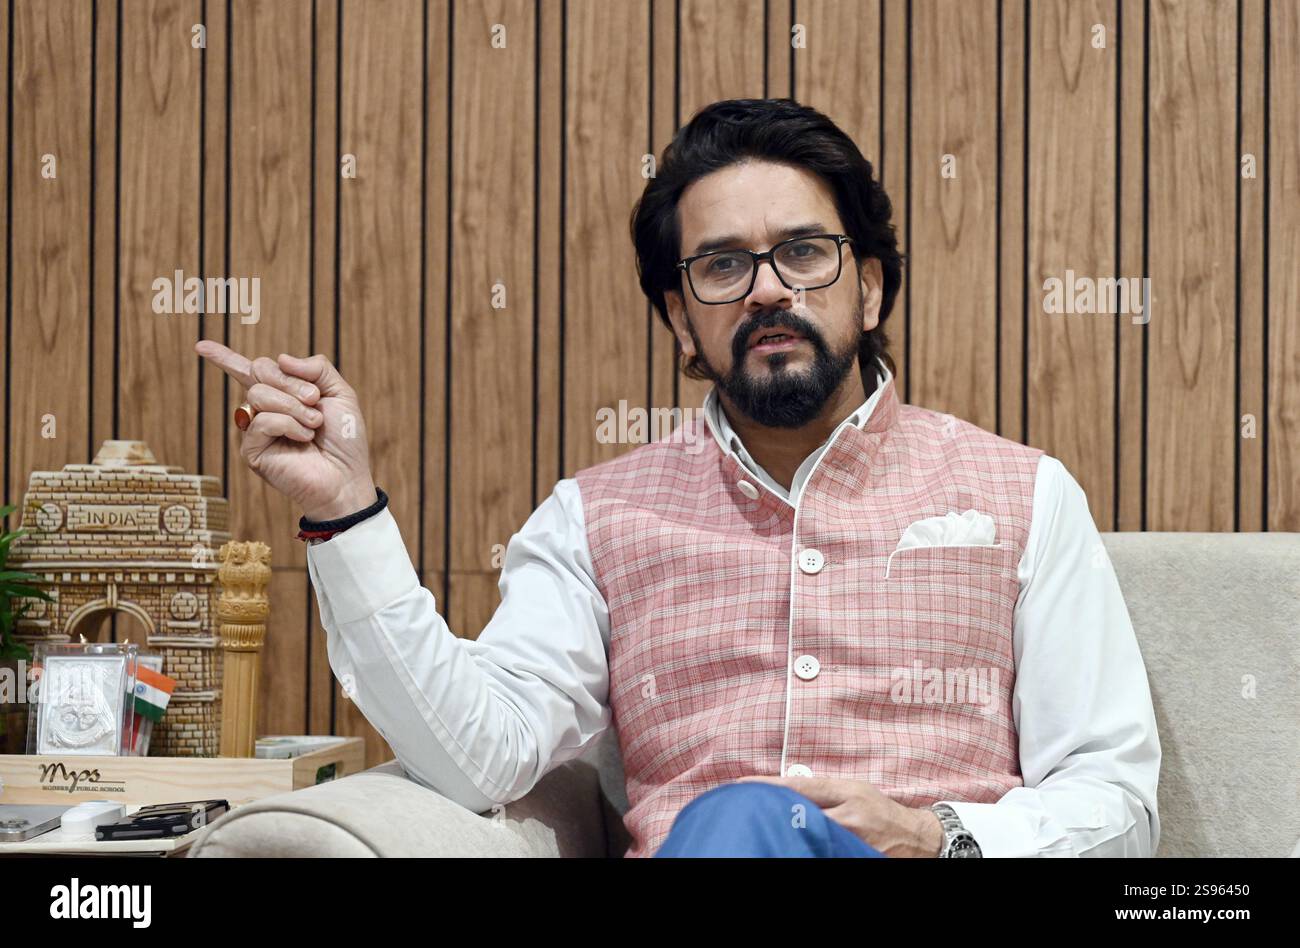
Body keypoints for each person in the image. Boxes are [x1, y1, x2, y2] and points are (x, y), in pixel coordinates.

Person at [196, 97, 1160, 858]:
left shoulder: (1024, 495)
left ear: (868, 286)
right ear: (679, 319)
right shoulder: (596, 520)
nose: (768, 289)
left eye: (803, 253)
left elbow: (1115, 799)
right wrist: (345, 514)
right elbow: (476, 757)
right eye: (722, 267)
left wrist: (935, 834)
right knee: (735, 824)